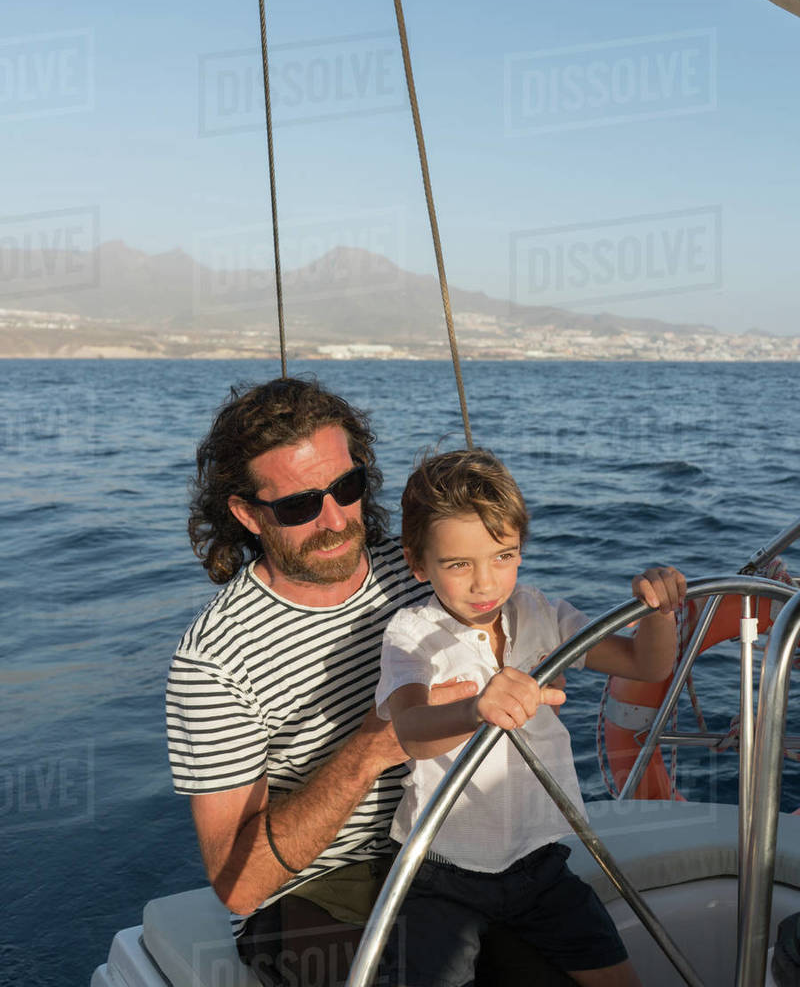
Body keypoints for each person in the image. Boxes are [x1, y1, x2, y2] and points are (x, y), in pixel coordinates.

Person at [167, 378, 568, 986]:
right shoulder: (214, 661)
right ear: (247, 514)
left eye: (346, 487)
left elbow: (532, 629)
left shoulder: (425, 569)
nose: (334, 520)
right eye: (299, 506)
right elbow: (238, 883)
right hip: (320, 890)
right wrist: (374, 746)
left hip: (453, 853)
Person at [376, 448, 687, 987]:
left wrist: (658, 614)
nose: (485, 584)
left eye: (503, 556)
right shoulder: (410, 634)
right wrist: (476, 708)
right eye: (457, 565)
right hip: (439, 872)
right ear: (415, 561)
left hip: (539, 865)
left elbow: (648, 663)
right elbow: (410, 733)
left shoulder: (543, 614)